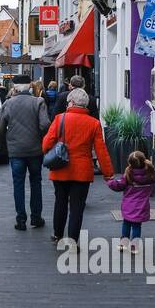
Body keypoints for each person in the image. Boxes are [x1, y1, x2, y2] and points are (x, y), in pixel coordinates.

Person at [42, 88, 115, 247]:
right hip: (82, 171)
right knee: (77, 207)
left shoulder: (60, 118)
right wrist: (108, 173)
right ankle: (73, 240)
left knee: (60, 202)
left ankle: (57, 235)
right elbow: (101, 150)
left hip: (61, 169)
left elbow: (46, 143)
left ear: (72, 102)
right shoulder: (94, 123)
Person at [0, 75, 51, 231]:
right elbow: (45, 124)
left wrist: (2, 146)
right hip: (35, 150)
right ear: (30, 87)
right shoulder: (38, 102)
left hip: (16, 151)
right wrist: (41, 139)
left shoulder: (8, 103)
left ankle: (21, 219)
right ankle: (36, 217)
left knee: (18, 184)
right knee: (36, 182)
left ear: (15, 87)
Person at [106, 150, 155, 253]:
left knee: (126, 223)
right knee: (137, 225)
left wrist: (110, 181)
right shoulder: (150, 175)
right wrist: (149, 165)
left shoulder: (128, 175)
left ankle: (123, 244)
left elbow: (118, 186)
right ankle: (134, 247)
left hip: (128, 205)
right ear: (144, 161)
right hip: (142, 206)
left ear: (130, 163)